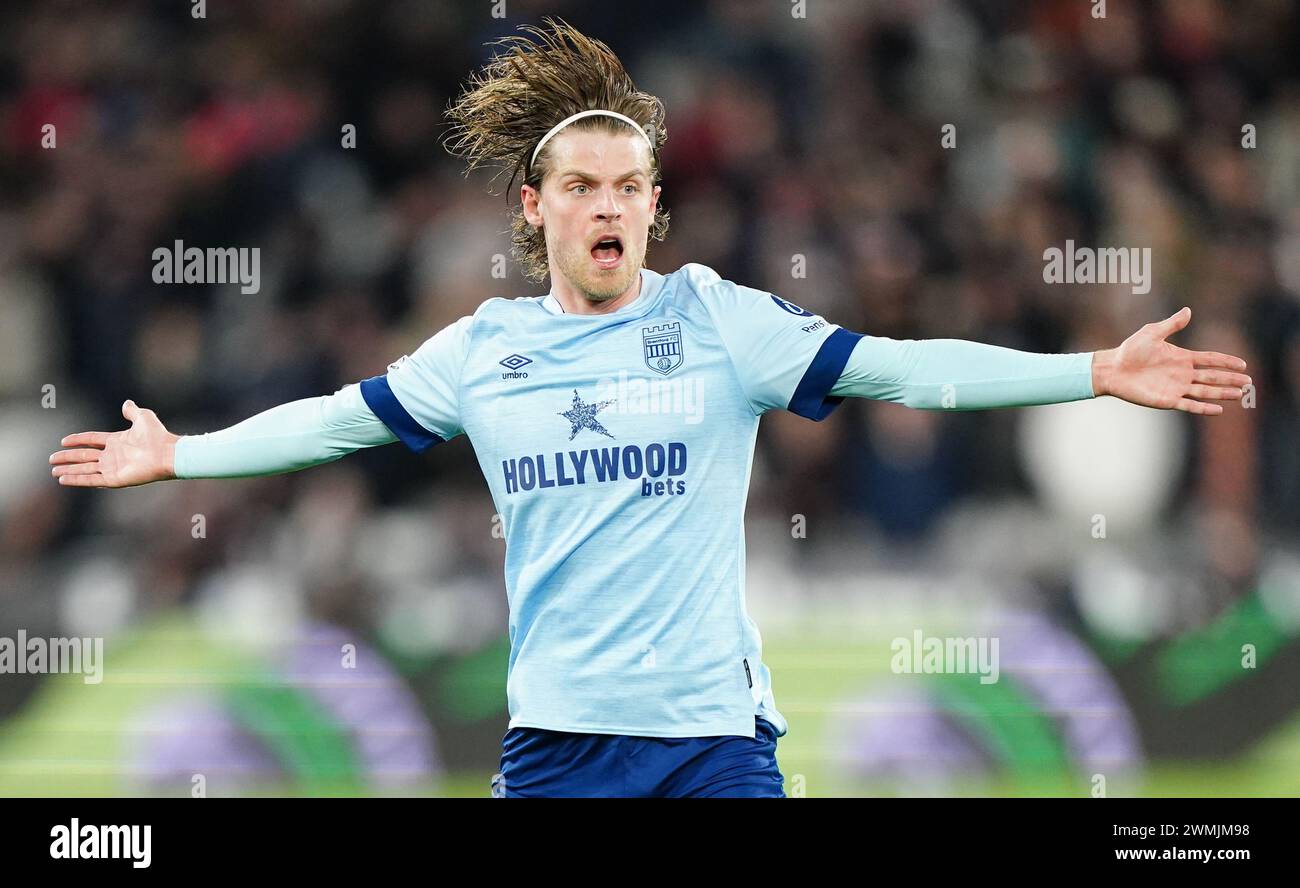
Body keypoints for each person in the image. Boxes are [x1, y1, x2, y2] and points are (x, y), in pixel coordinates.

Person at [48, 18, 1250, 797]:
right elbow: (330, 420)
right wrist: (181, 456)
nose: (609, 206)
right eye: (583, 187)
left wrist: (1088, 372)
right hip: (559, 750)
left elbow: (896, 366)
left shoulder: (719, 322)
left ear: (655, 203)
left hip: (714, 746)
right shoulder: (486, 350)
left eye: (631, 186)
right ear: (536, 208)